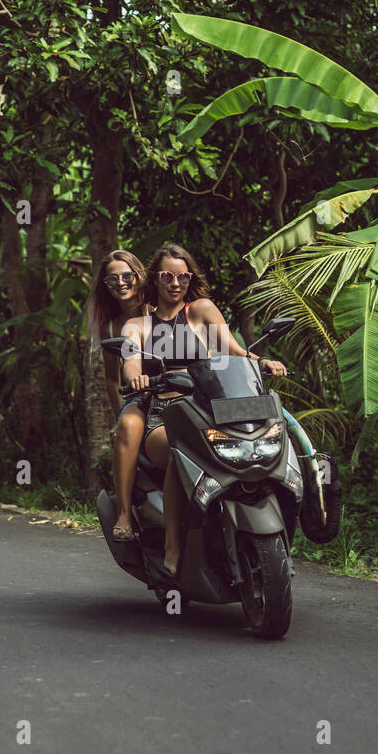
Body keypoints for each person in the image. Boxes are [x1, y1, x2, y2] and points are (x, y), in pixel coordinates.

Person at [120, 243, 286, 576]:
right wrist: (136, 377)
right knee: (178, 451)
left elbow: (236, 351)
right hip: (163, 413)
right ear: (155, 278)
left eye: (183, 276)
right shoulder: (135, 326)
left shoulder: (201, 310)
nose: (175, 282)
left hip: (207, 409)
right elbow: (130, 360)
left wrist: (264, 361)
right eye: (168, 275)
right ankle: (172, 545)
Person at [86, 249, 152, 540]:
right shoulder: (111, 325)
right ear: (106, 285)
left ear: (139, 276)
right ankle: (125, 513)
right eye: (113, 279)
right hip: (140, 396)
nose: (121, 283)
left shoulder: (156, 309)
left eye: (127, 276)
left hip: (179, 388)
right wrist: (118, 416)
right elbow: (113, 379)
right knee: (126, 430)